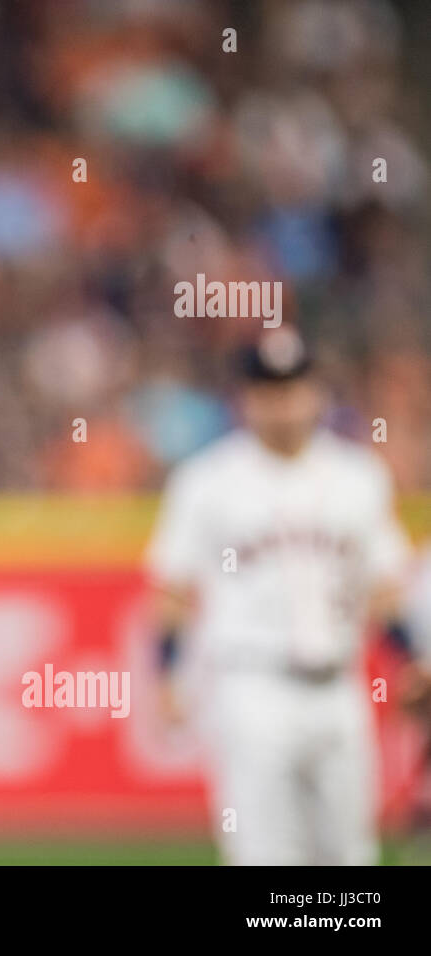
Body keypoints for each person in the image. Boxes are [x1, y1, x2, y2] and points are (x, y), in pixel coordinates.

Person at [147, 326, 423, 865]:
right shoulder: (206, 481)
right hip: (252, 685)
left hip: (339, 686)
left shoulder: (359, 475)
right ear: (246, 397)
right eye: (270, 390)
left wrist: (410, 658)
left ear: (316, 391)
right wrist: (167, 675)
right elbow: (174, 590)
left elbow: (383, 585)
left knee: (349, 858)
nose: (286, 403)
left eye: (295, 387)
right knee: (266, 859)